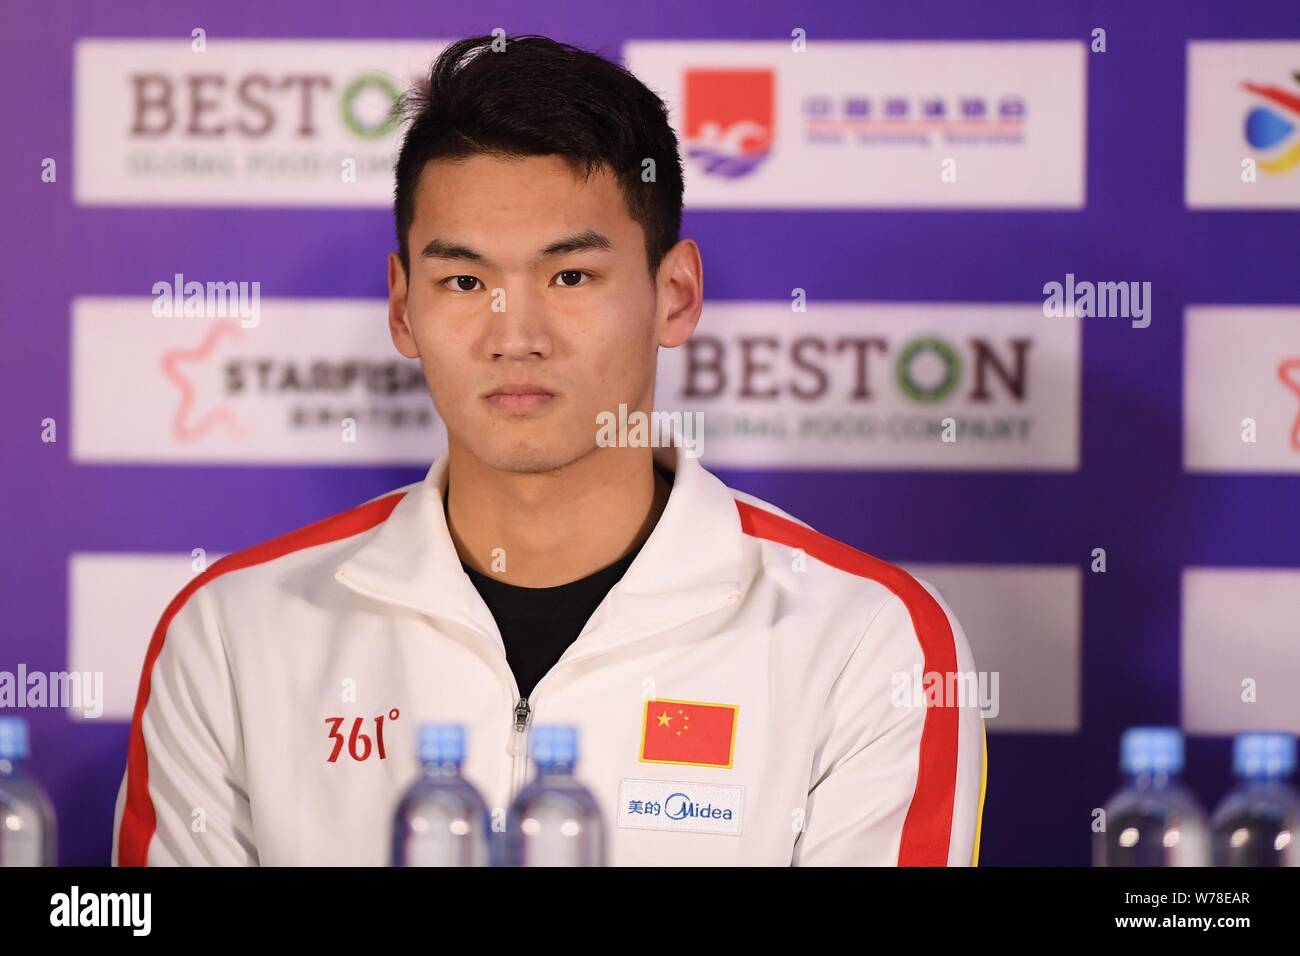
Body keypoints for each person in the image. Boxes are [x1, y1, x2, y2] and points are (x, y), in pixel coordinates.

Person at [112, 33, 986, 866]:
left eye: (571, 276)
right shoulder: (234, 632)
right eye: (465, 280)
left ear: (675, 295)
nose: (514, 335)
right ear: (402, 307)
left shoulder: (867, 642)